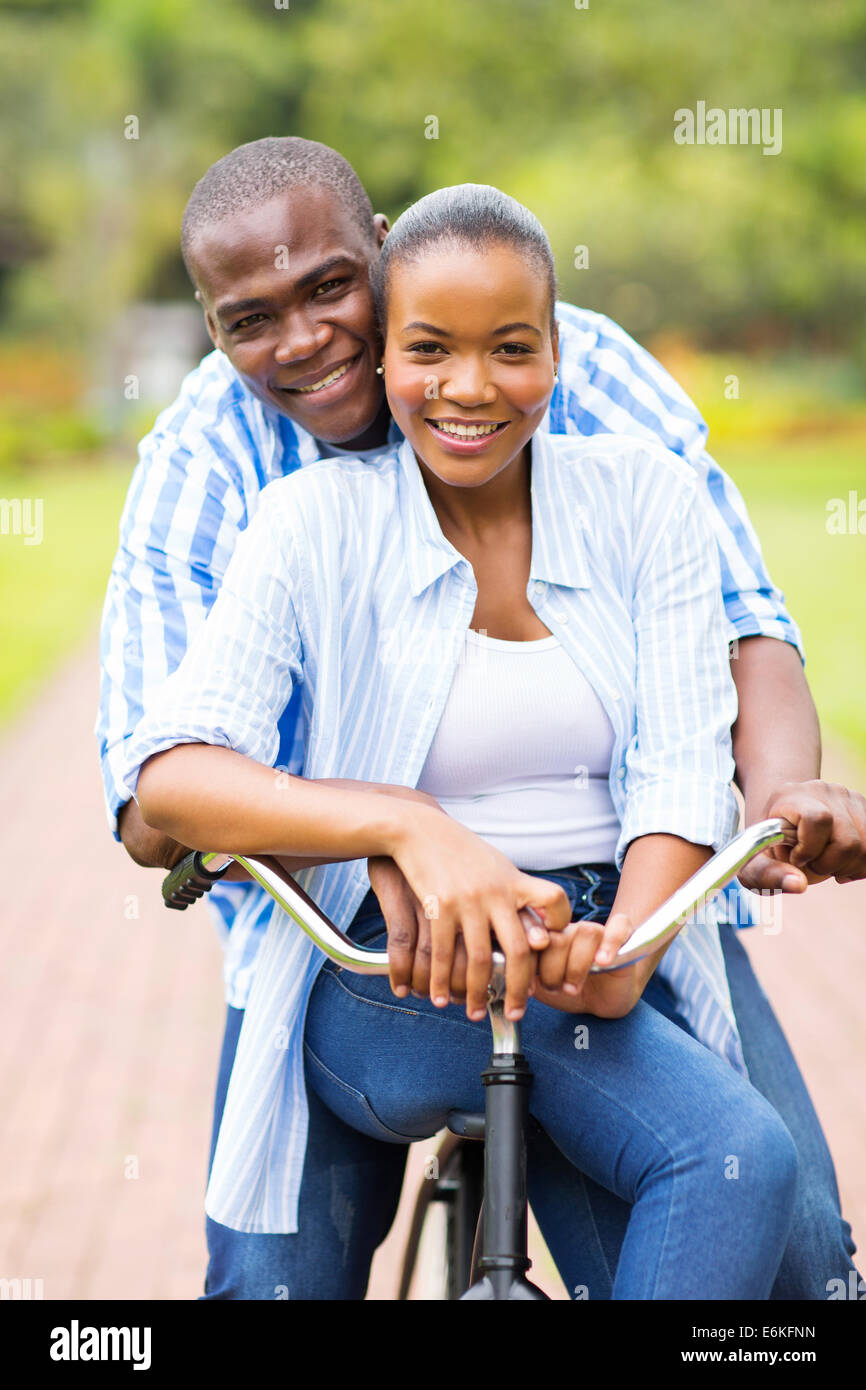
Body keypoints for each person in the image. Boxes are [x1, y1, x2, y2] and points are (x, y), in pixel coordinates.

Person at [95, 138, 864, 1298]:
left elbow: (737, 633)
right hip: (347, 937)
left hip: (620, 901)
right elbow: (154, 800)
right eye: (252, 316)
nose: (303, 339)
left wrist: (762, 810)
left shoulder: (590, 396)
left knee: (797, 1265)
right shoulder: (254, 489)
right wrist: (393, 830)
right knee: (268, 1283)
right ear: (211, 329)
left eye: (327, 288)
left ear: (384, 256)